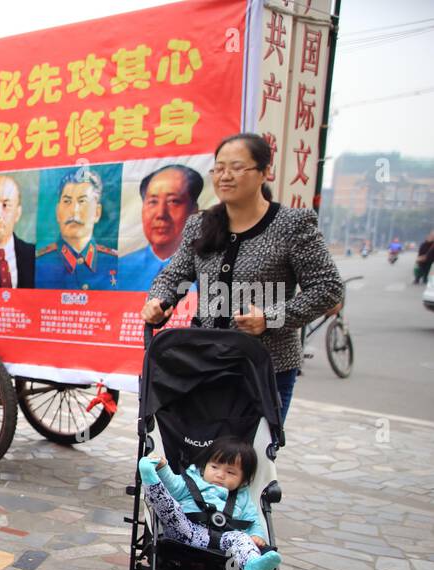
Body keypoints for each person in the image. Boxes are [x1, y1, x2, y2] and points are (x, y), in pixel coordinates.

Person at [142, 132, 343, 420]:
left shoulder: (292, 225)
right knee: (200, 456)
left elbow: (328, 288)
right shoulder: (199, 224)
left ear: (264, 172)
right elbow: (174, 275)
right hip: (202, 364)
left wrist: (269, 318)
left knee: (246, 460)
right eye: (219, 168)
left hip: (265, 368)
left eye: (237, 168)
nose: (225, 176)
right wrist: (158, 301)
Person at [137, 437, 281, 570]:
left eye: (230, 472)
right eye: (214, 467)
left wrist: (257, 535)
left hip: (222, 541)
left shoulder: (242, 498)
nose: (220, 475)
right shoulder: (192, 481)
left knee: (241, 538)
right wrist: (162, 467)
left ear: (243, 480)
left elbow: (252, 519)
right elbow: (172, 486)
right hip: (185, 530)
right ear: (205, 466)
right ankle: (151, 478)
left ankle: (251, 564)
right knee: (171, 508)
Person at [115, 165, 202, 290]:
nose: (161, 214)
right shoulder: (121, 268)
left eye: (173, 201)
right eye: (153, 202)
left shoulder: (208, 268)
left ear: (194, 210)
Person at [35, 166, 119, 290]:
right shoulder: (39, 263)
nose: (74, 211)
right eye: (67, 201)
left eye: (82, 201)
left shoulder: (114, 262)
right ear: (58, 212)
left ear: (97, 212)